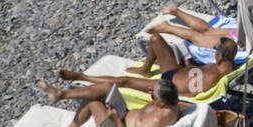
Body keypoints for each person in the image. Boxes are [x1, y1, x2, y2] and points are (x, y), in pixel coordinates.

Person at [48, 38, 239, 104]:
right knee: (156, 39)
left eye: (215, 49)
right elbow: (195, 77)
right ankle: (145, 69)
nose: (213, 51)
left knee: (124, 81)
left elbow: (193, 93)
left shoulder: (214, 75)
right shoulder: (218, 66)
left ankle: (80, 77)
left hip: (168, 85)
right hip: (176, 71)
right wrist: (187, 65)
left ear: (220, 56)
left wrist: (162, 93)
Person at [42, 76, 183, 127]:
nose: (151, 94)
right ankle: (61, 94)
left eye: (154, 95)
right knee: (107, 87)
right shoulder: (170, 102)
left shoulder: (159, 118)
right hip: (124, 117)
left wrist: (117, 120)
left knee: (94, 102)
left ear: (163, 103)